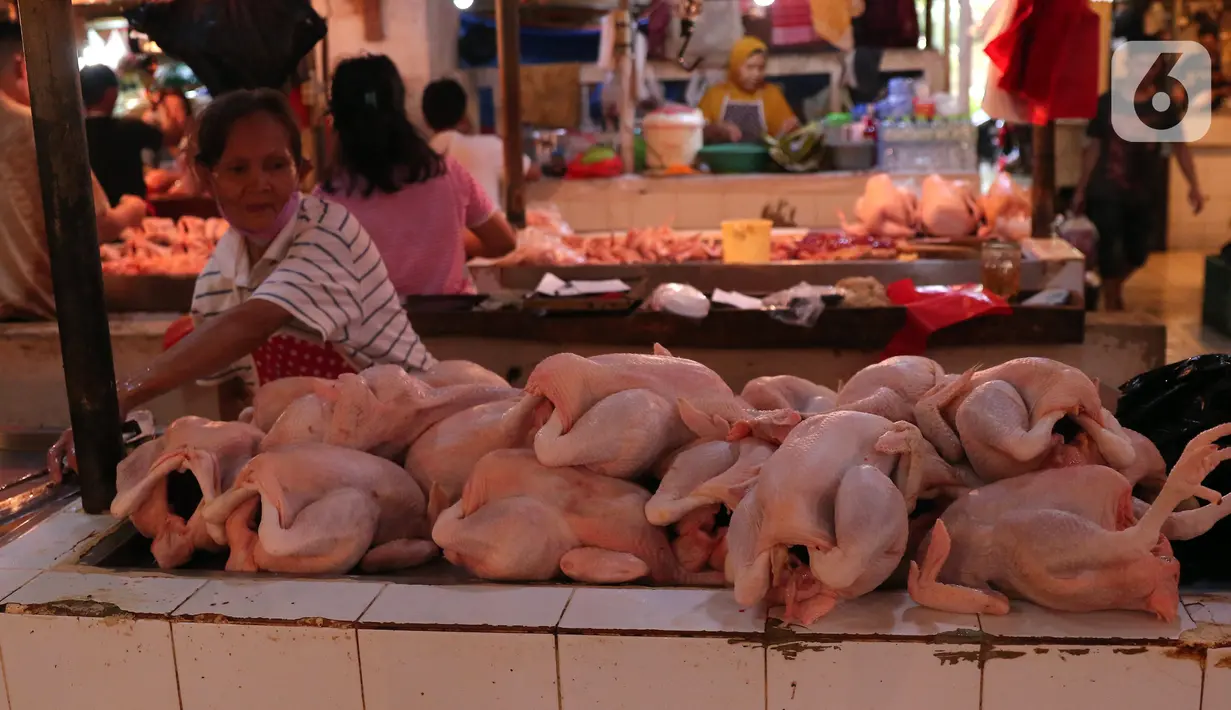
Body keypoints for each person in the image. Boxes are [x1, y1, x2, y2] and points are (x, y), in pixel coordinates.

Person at [49, 88, 437, 477]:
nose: (259, 183)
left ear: (299, 171)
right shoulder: (219, 276)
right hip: (333, 456)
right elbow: (234, 394)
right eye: (238, 169)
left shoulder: (327, 230)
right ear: (205, 176)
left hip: (419, 428)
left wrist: (124, 394)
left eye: (275, 165)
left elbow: (253, 322)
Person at [318, 56, 516, 295]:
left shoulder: (325, 201)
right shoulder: (448, 174)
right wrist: (447, 241)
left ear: (335, 121)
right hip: (451, 328)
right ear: (401, 107)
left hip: (368, 331)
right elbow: (504, 241)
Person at [0, 21, 146, 320]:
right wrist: (132, 209)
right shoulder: (35, 128)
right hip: (34, 316)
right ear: (20, 66)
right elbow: (94, 227)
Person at [1072, 51, 1204, 311]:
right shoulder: (1106, 103)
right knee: (1109, 248)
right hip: (1106, 190)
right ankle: (1112, 301)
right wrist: (1081, 188)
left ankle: (1112, 288)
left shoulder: (1163, 105)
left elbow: (1180, 148)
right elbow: (1093, 148)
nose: (1145, 70)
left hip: (1144, 191)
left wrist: (1194, 185)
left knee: (1139, 252)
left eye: (1152, 65)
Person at [421, 77, 539, 211]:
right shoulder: (488, 145)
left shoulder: (417, 160)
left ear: (426, 120)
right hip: (486, 231)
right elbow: (533, 173)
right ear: (464, 115)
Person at [80, 64, 164, 206]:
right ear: (112, 93)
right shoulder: (130, 128)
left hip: (92, 216)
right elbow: (169, 137)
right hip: (133, 214)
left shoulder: (72, 136)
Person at [698, 36, 800, 144]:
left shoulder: (771, 94)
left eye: (761, 68)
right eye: (750, 67)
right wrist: (717, 129)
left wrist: (787, 132)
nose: (756, 74)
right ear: (735, 65)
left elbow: (786, 138)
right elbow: (698, 132)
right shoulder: (715, 95)